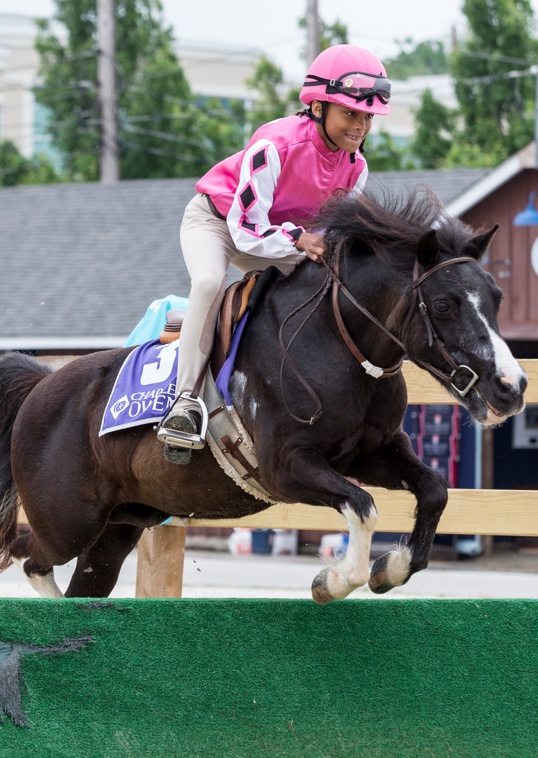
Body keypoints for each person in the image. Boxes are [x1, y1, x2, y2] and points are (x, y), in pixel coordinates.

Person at [157, 44, 391, 463]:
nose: (360, 126)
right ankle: (184, 404)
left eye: (367, 117)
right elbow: (246, 234)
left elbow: (328, 234)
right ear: (318, 108)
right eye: (350, 114)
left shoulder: (357, 166)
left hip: (277, 236)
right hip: (218, 224)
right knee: (210, 281)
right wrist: (300, 239)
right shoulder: (274, 145)